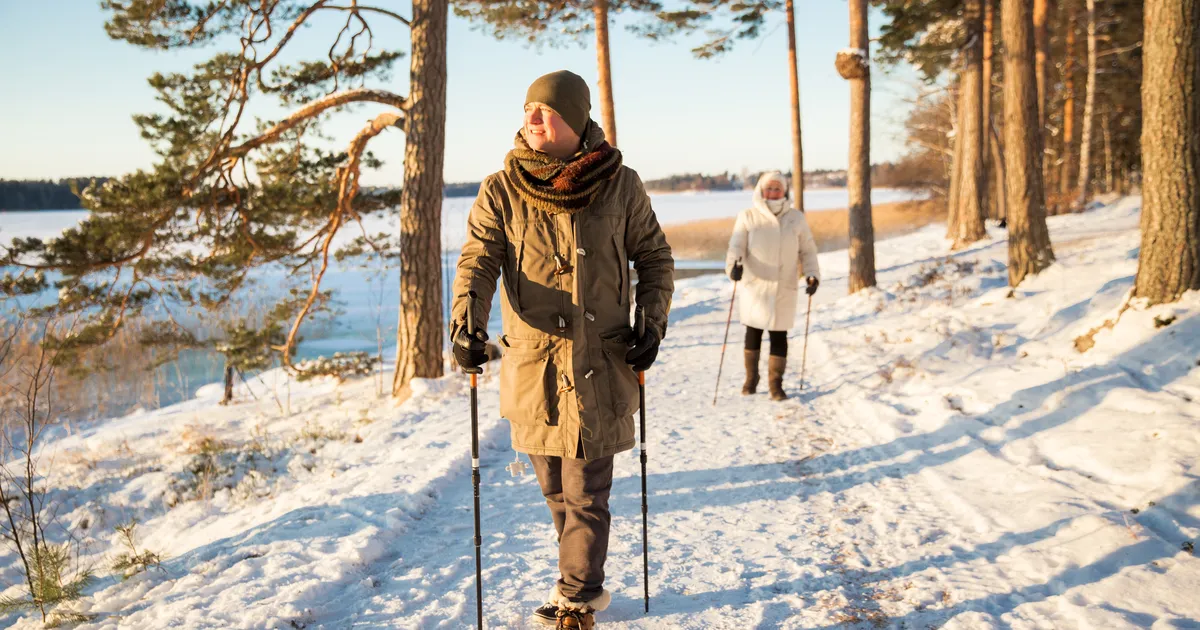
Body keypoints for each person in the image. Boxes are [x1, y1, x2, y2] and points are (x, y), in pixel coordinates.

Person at [450, 70, 675, 630]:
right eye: (528, 108)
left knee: (585, 489)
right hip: (535, 366)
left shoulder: (621, 185)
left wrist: (652, 323)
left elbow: (654, 259)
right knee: (555, 488)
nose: (532, 119)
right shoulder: (500, 189)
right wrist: (466, 324)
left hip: (601, 362)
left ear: (574, 122)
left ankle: (577, 596)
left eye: (545, 111)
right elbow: (477, 263)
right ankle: (581, 574)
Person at [725, 171, 820, 401]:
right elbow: (736, 246)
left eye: (777, 188)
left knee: (779, 336)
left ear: (785, 191)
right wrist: (733, 267)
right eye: (769, 188)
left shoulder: (796, 218)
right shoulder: (748, 216)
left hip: (784, 284)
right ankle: (751, 378)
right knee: (753, 333)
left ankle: (775, 384)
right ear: (761, 190)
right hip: (755, 285)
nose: (773, 192)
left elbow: (807, 249)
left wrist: (812, 274)